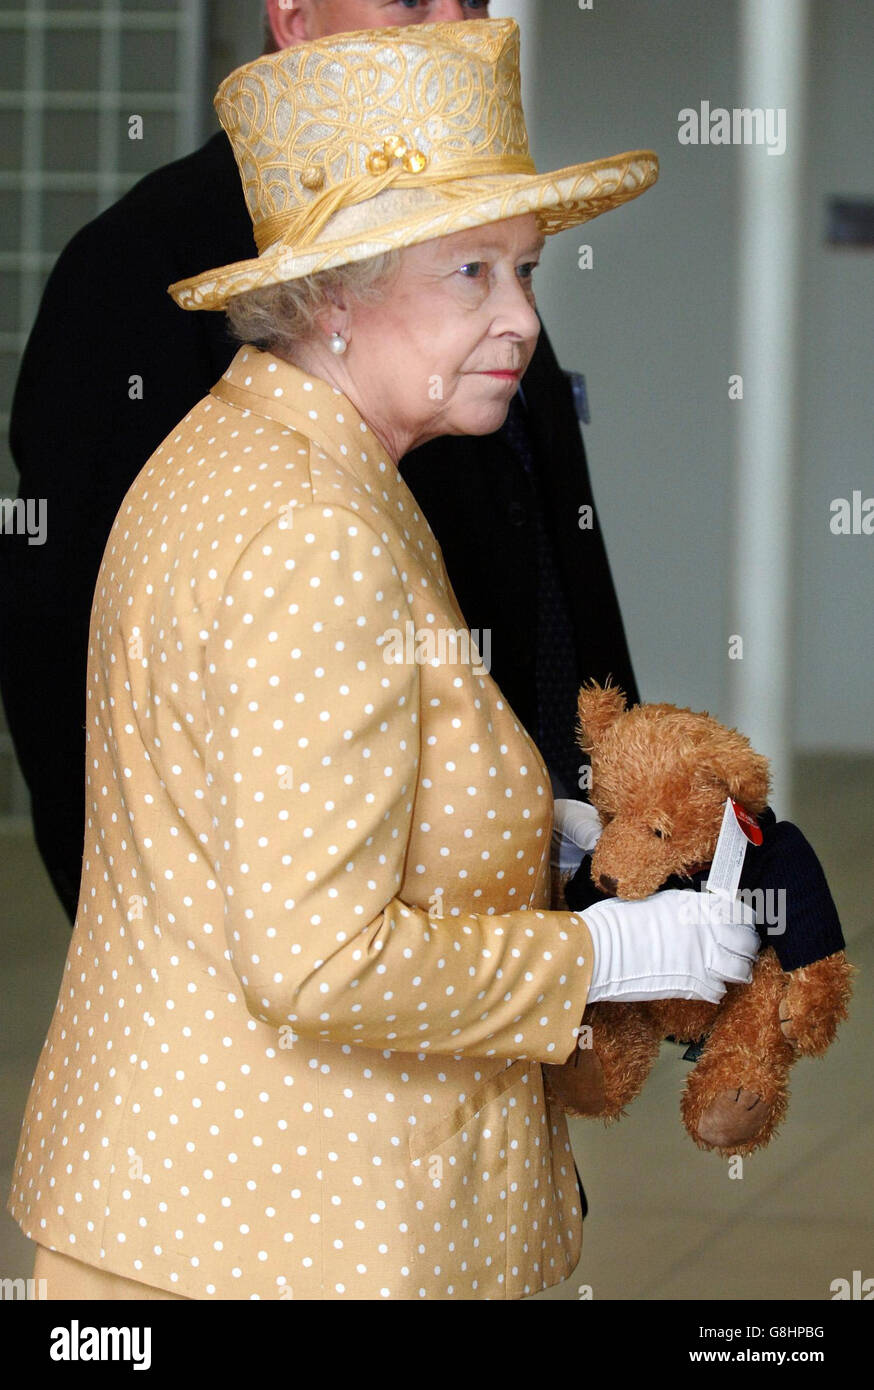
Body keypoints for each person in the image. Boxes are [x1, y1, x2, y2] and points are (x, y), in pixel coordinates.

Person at [7, 19, 760, 1301]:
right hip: (283, 1235)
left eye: (523, 269)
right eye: (470, 272)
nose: (521, 319)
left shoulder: (261, 449)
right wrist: (613, 958)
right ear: (336, 291)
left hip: (190, 1213)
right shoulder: (316, 528)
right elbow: (318, 957)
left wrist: (547, 830)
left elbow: (268, 802)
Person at [0, 0, 638, 926]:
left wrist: (625, 812)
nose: (454, 23)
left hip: (502, 896)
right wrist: (146, 946)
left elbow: (553, 555)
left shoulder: (476, 250)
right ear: (292, 18)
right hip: (310, 967)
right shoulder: (139, 264)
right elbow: (72, 644)